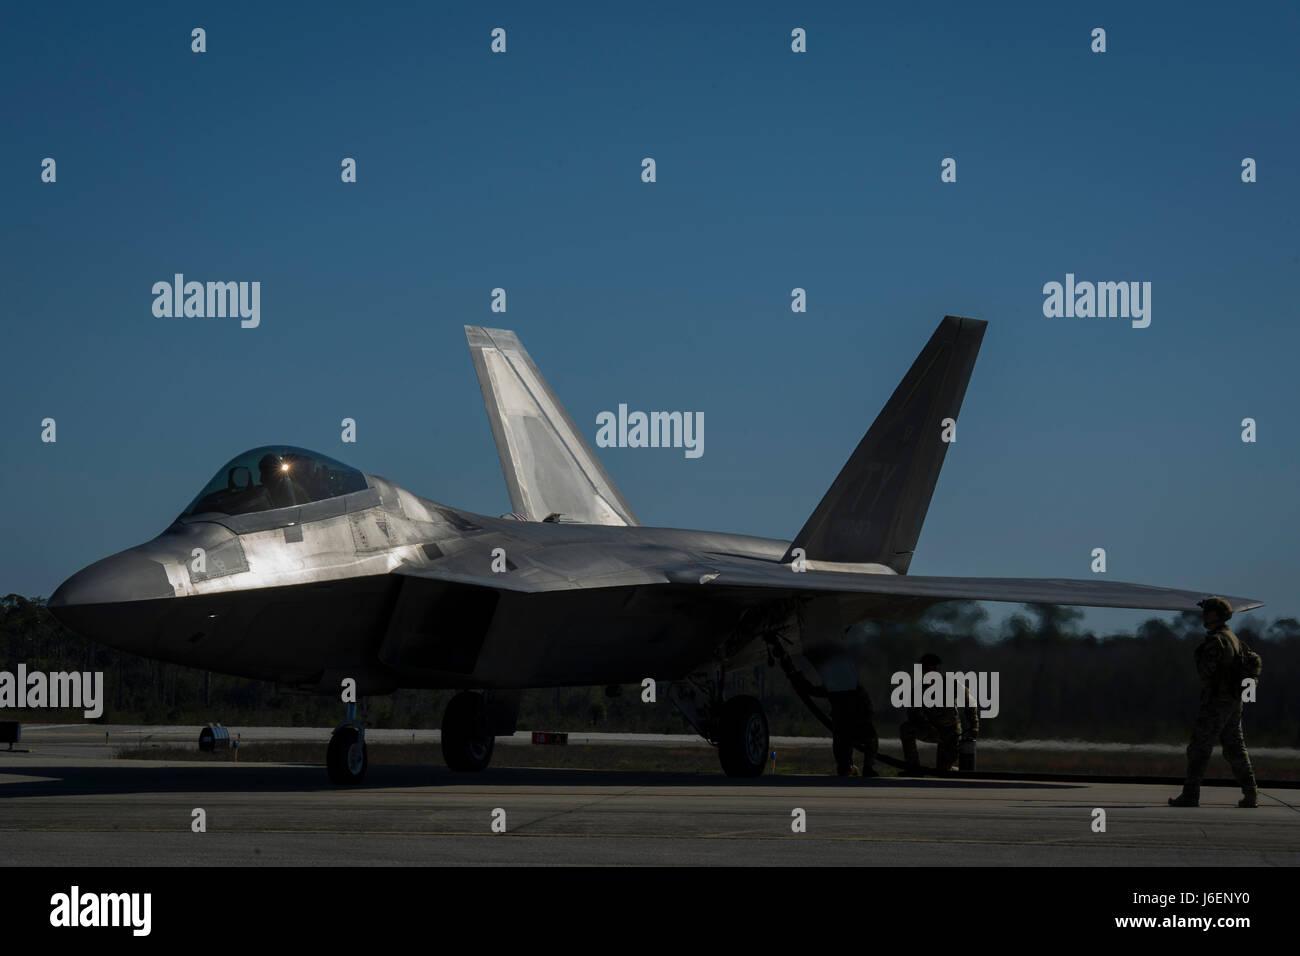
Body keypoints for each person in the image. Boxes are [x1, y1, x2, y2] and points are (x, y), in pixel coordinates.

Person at [1169, 597, 1258, 808]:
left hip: (1217, 702)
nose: (1205, 615)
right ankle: (1251, 793)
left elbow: (1206, 672)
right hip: (1233, 702)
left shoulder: (1217, 641)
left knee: (1199, 747)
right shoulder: (1233, 638)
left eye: (1208, 612)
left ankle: (1190, 794)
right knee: (1235, 748)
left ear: (1218, 615)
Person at [899, 653, 979, 772]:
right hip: (932, 730)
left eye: (934, 669)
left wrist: (974, 726)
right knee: (906, 728)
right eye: (927, 669)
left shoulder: (951, 684)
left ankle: (955, 769)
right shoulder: (918, 690)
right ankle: (913, 767)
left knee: (943, 771)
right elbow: (912, 714)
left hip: (950, 732)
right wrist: (926, 726)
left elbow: (970, 703)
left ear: (938, 670)